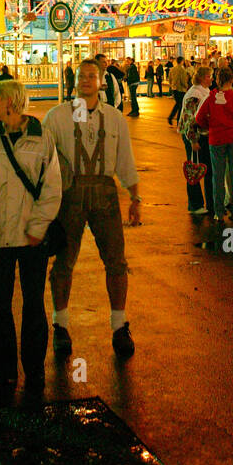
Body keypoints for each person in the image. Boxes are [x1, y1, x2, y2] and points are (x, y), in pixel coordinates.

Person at [44, 58, 142, 358]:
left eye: (91, 76)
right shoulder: (57, 117)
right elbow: (43, 161)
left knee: (116, 261)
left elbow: (125, 160)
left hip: (105, 192)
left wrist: (135, 197)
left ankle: (119, 325)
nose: (86, 80)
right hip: (69, 195)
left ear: (101, 81)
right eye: (81, 76)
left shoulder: (114, 118)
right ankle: (60, 326)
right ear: (74, 81)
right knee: (64, 263)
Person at [0, 79, 62, 395]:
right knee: (0, 305)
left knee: (33, 304)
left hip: (31, 240)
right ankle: (3, 369)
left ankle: (34, 368)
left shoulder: (42, 138)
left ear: (10, 102)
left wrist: (38, 229)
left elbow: (52, 189)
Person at [195, 67, 233, 221]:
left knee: (217, 177)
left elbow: (198, 118)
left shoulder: (210, 97)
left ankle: (218, 212)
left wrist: (210, 124)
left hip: (216, 140)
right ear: (232, 80)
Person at [179, 66, 214, 215]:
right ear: (201, 78)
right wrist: (193, 140)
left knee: (202, 167)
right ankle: (195, 204)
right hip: (194, 136)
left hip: (201, 135)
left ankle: (204, 202)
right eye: (208, 76)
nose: (211, 79)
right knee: (194, 168)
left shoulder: (202, 92)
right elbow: (189, 118)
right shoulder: (195, 94)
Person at [167, 56, 190, 126]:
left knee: (178, 104)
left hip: (174, 89)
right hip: (181, 90)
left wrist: (171, 86)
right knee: (180, 105)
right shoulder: (182, 70)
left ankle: (171, 117)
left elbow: (170, 79)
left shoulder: (172, 69)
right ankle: (178, 121)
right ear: (182, 61)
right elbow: (183, 81)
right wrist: (186, 87)